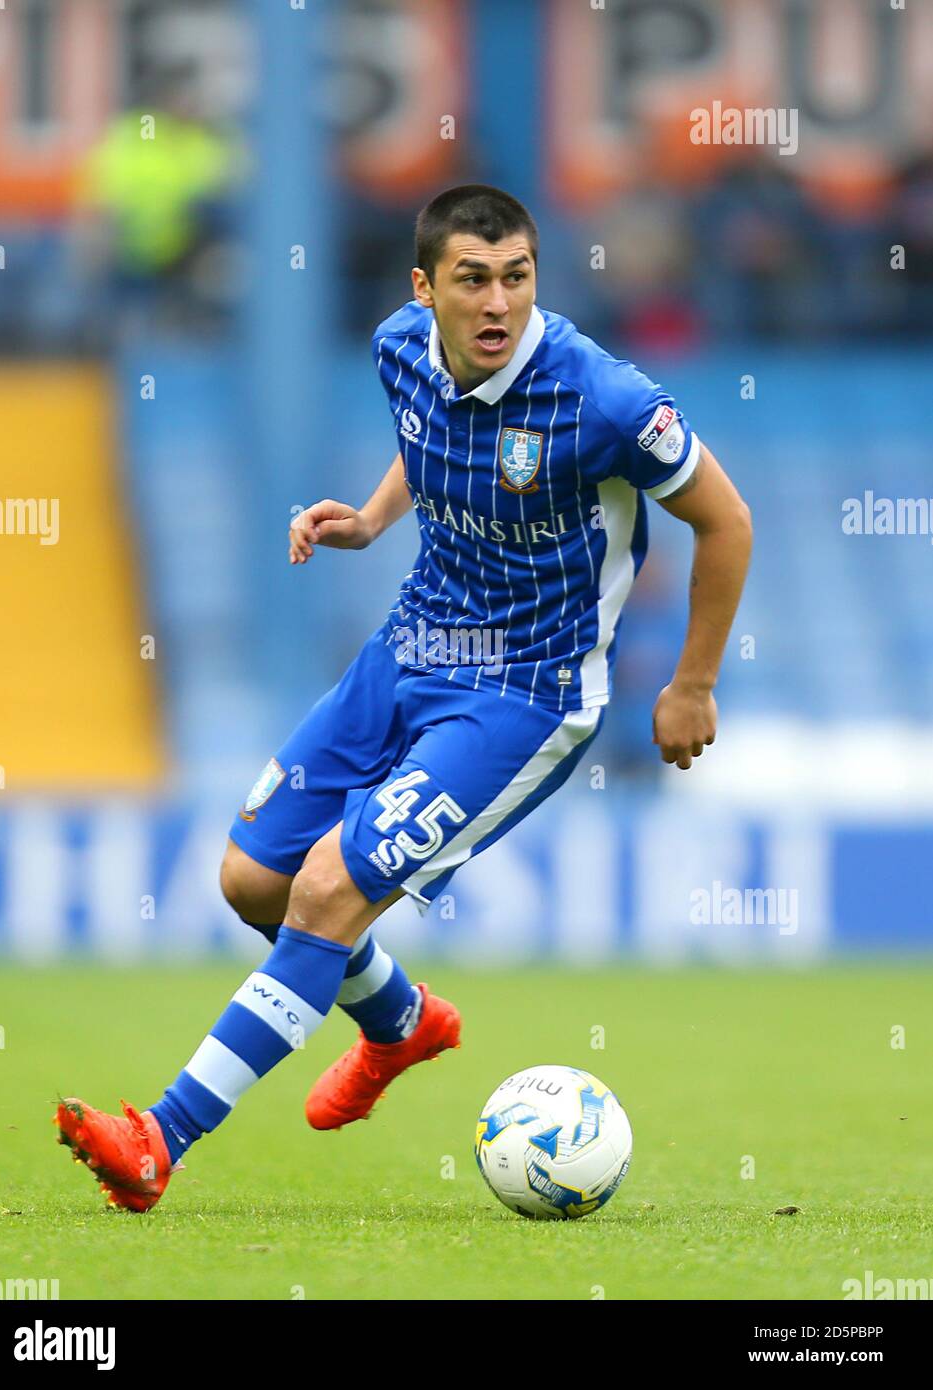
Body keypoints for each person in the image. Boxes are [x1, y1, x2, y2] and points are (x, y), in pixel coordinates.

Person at [54, 185, 752, 1211]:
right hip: (409, 648)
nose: (497, 302)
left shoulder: (604, 401)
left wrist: (692, 681)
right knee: (252, 880)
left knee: (329, 889)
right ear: (424, 289)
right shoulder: (400, 348)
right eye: (472, 278)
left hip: (525, 691)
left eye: (516, 276)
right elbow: (432, 438)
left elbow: (726, 521)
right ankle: (402, 1023)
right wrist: (377, 517)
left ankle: (163, 1136)